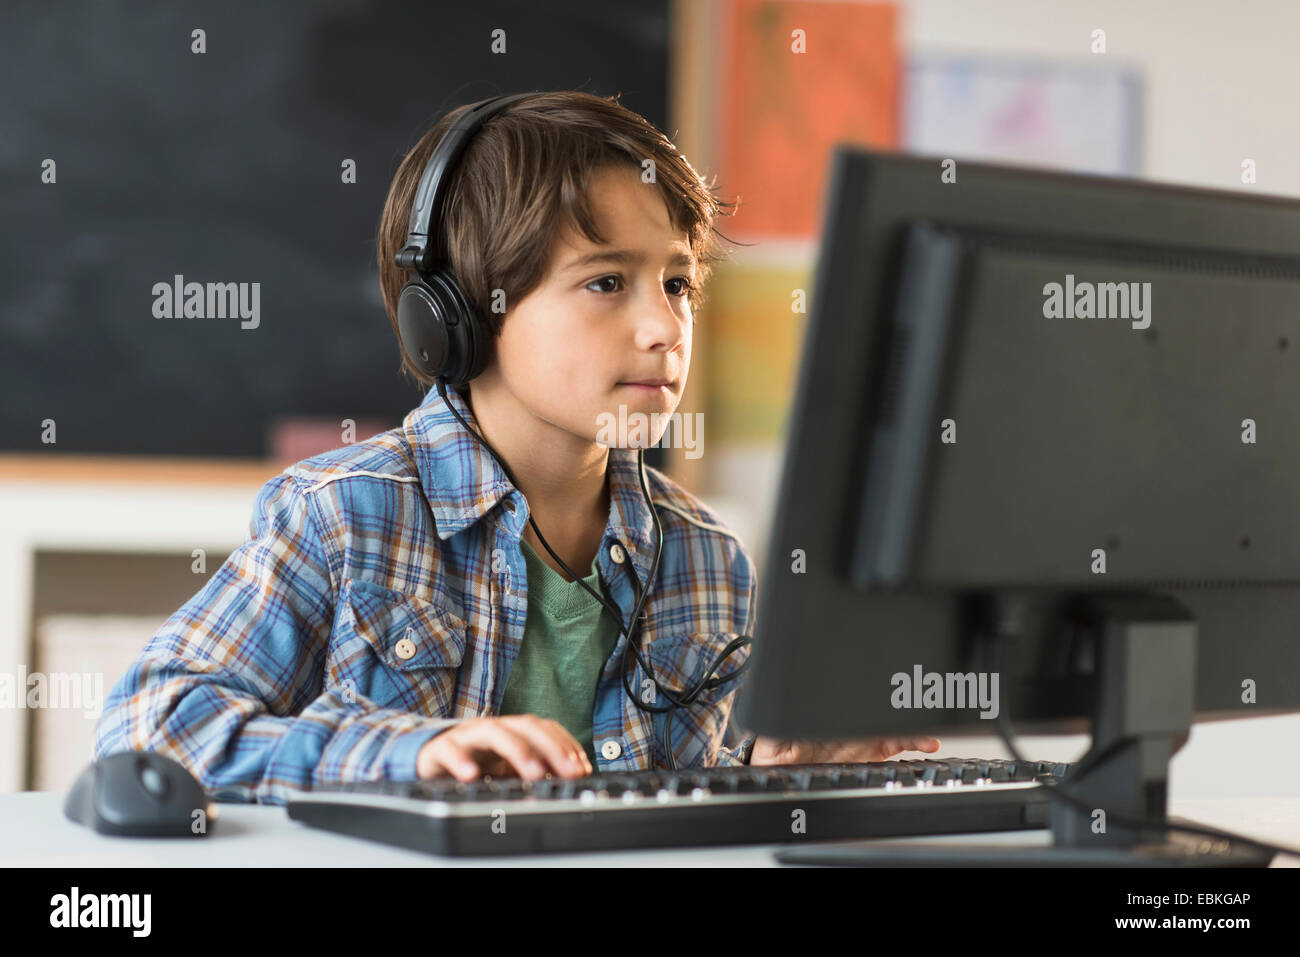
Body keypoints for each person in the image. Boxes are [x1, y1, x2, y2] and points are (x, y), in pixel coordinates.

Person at [93, 92, 938, 805]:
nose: (663, 327)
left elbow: (686, 804)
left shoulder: (707, 559)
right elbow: (150, 726)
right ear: (456, 313)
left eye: (677, 282)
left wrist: (777, 774)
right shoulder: (347, 515)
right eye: (606, 282)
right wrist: (408, 756)